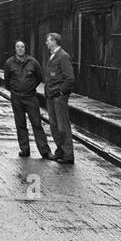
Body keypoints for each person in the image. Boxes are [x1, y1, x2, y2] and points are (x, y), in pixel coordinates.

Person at [3, 40, 52, 159]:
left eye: (22, 47)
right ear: (15, 49)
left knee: (36, 123)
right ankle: (24, 149)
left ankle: (45, 151)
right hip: (16, 97)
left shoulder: (33, 62)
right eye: (18, 47)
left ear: (25, 49)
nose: (20, 49)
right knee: (20, 124)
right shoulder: (9, 63)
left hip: (30, 97)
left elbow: (39, 77)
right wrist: (15, 90)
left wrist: (30, 88)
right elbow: (7, 80)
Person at [44, 31, 75, 164]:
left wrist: (61, 93)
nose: (46, 43)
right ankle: (60, 151)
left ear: (54, 42)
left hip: (58, 97)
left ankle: (68, 155)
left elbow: (69, 78)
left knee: (62, 126)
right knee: (54, 125)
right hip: (51, 96)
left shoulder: (63, 57)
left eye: (48, 40)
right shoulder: (53, 56)